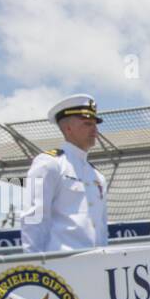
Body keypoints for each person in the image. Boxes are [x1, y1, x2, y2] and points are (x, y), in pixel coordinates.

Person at [20, 94, 109, 252]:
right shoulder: (49, 163)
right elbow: (34, 218)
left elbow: (101, 225)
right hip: (61, 264)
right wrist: (34, 264)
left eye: (96, 124)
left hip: (96, 263)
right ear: (68, 128)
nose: (95, 129)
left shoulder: (97, 176)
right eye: (88, 123)